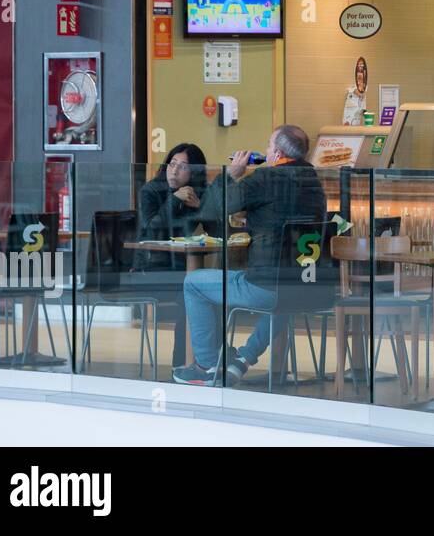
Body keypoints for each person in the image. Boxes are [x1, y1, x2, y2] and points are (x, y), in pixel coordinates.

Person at [173, 124, 325, 386]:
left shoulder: (264, 179)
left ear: (276, 153)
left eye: (268, 144)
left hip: (267, 286)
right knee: (287, 291)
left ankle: (207, 366)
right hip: (308, 285)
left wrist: (231, 174)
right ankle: (241, 360)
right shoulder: (315, 182)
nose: (265, 150)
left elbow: (211, 209)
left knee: (193, 283)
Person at [138, 143, 213, 367]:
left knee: (211, 291)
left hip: (183, 268)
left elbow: (218, 232)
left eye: (183, 167)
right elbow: (151, 229)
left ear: (194, 173)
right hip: (152, 269)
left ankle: (208, 361)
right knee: (191, 296)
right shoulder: (150, 191)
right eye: (172, 164)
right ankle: (182, 364)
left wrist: (201, 207)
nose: (174, 170)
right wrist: (174, 200)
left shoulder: (198, 193)